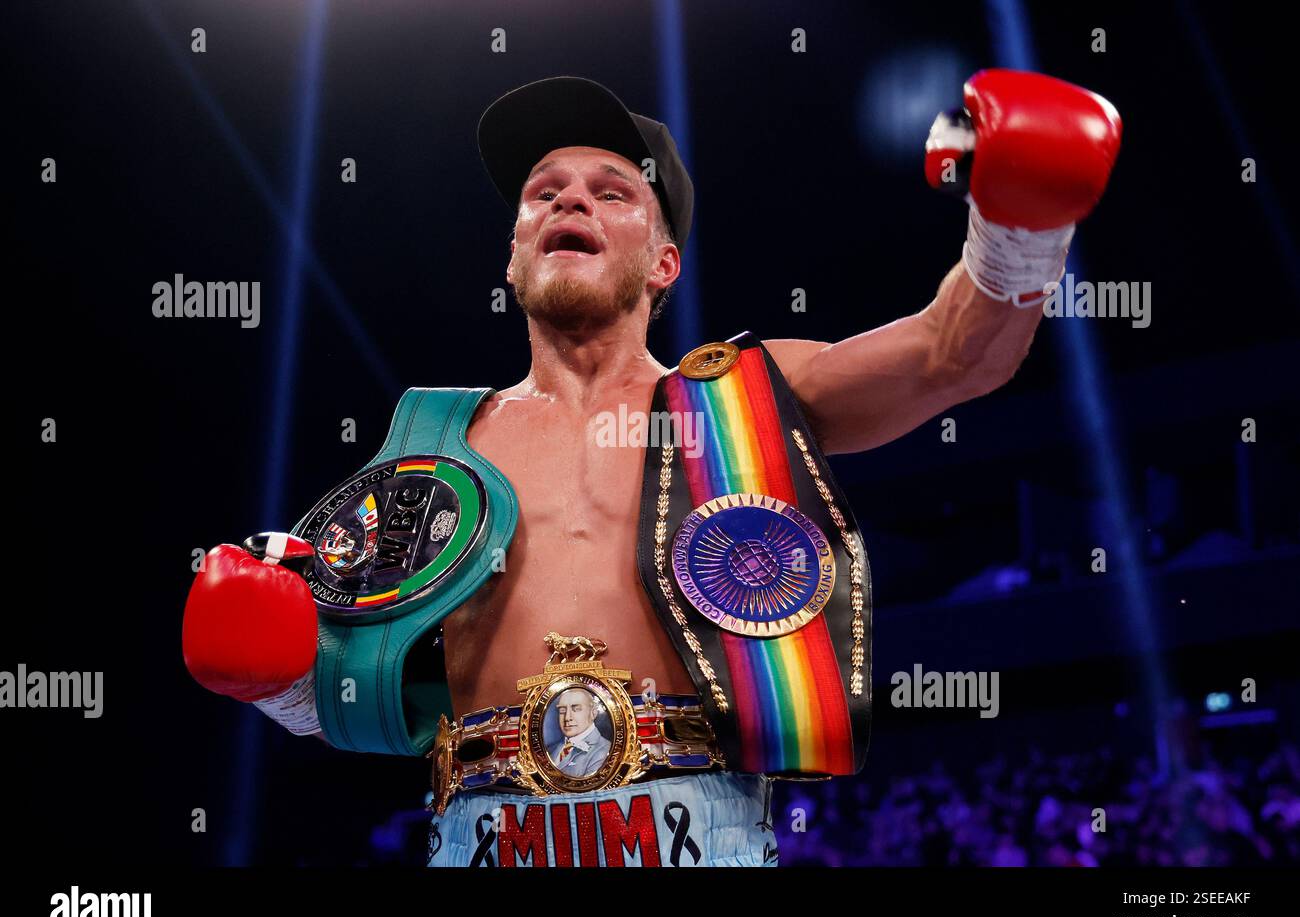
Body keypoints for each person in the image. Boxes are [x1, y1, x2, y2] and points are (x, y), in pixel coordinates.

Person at [182, 72, 1121, 867]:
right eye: (542, 192)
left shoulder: (745, 400)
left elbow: (956, 354)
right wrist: (276, 682)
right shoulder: (434, 443)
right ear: (512, 256)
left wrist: (1017, 225)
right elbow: (362, 696)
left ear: (664, 262)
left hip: (700, 832)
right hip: (480, 832)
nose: (569, 199)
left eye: (611, 189)